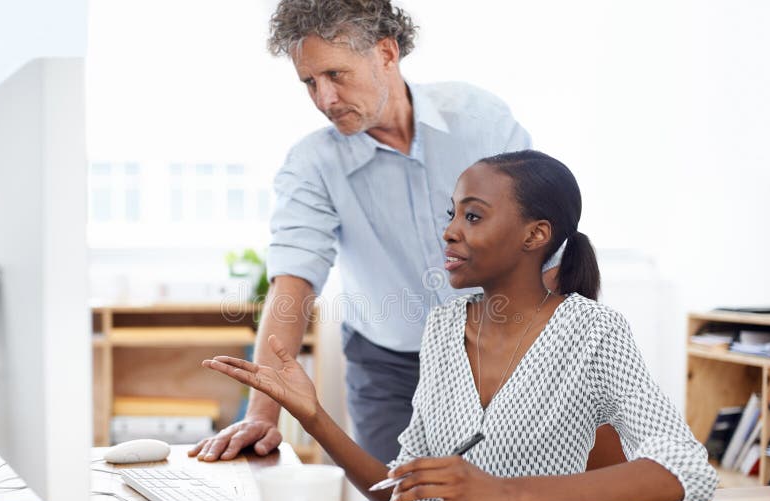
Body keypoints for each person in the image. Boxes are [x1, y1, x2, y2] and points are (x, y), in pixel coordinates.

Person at [201, 150, 717, 501]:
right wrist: (312, 417)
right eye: (452, 214)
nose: (450, 230)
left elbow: (687, 469)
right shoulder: (444, 327)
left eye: (473, 216)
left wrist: (509, 495)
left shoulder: (594, 331)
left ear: (535, 235)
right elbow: (398, 490)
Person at [189, 0, 554, 465]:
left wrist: (554, 353)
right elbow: (293, 283)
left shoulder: (479, 120)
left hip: (504, 348)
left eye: (336, 75)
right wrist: (264, 413)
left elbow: (547, 244)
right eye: (309, 83)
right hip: (390, 369)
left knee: (518, 499)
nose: (324, 100)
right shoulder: (312, 165)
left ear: (386, 52)